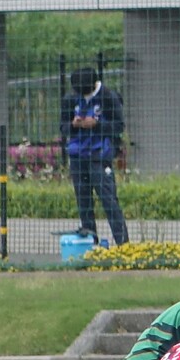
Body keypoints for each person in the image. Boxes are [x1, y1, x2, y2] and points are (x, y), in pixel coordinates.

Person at [60, 67, 129, 246]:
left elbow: (119, 126)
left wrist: (96, 124)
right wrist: (74, 125)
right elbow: (63, 127)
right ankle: (90, 243)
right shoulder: (70, 99)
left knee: (108, 200)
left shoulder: (108, 96)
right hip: (77, 156)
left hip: (100, 156)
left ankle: (123, 244)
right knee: (84, 202)